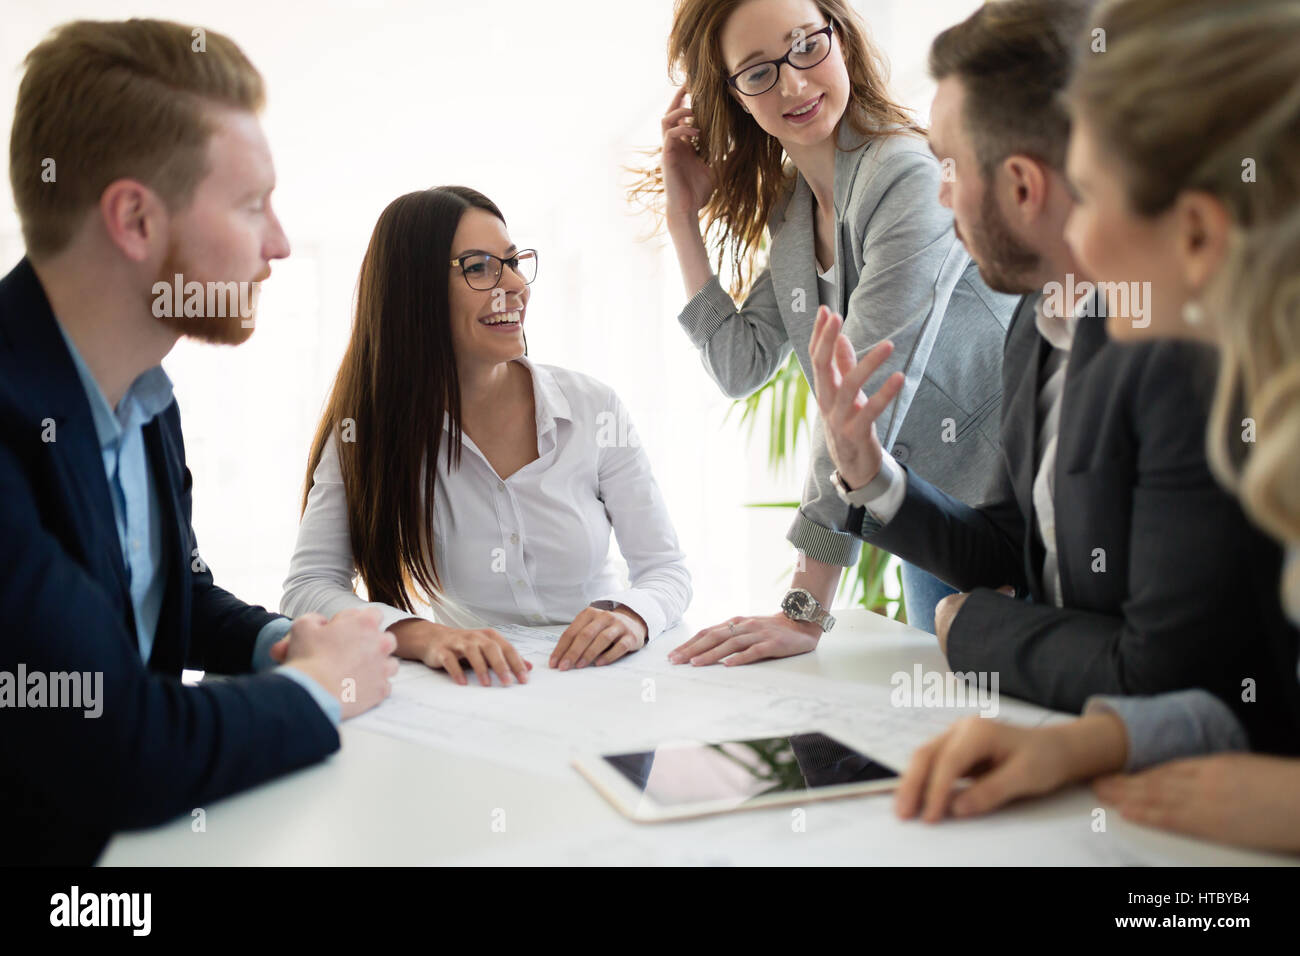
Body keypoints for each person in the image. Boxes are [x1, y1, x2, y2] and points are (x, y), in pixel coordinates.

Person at [807, 0, 1300, 755]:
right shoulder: (1034, 325)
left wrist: (971, 626)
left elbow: (1177, 673)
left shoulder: (1184, 350)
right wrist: (872, 476)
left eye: (1091, 192)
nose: (1081, 237)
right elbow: (1018, 544)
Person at [0, 19, 398, 865]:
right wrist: (321, 688)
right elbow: (113, 744)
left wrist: (280, 644)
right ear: (136, 220)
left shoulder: (146, 397)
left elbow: (169, 592)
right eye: (253, 205)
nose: (280, 243)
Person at [635, 0, 1018, 657]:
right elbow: (738, 365)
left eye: (805, 45)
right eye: (757, 72)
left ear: (838, 38)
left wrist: (804, 611)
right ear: (732, 99)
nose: (793, 84)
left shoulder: (903, 174)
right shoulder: (794, 218)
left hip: (1016, 520)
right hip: (932, 530)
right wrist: (681, 222)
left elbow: (861, 403)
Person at [281, 187, 692, 685]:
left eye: (514, 261)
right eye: (478, 267)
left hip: (607, 687)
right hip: (478, 693)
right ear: (413, 292)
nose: (516, 285)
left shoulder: (593, 408)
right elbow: (308, 587)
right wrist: (422, 635)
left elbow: (666, 568)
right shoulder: (365, 433)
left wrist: (632, 615)